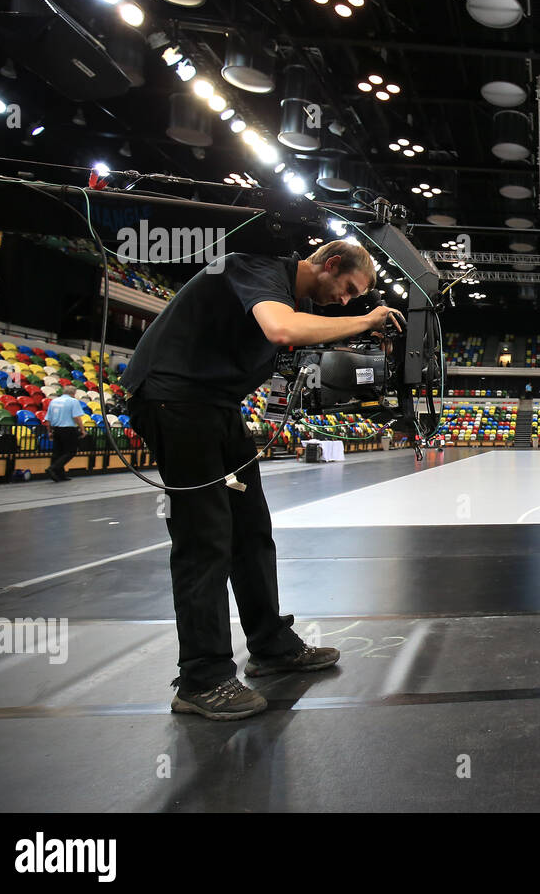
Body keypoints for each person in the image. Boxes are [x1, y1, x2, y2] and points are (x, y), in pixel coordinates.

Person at [121, 240, 403, 720]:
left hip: (217, 407)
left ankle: (270, 645)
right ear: (330, 264)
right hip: (177, 402)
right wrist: (367, 320)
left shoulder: (286, 298)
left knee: (251, 531)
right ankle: (202, 678)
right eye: (347, 289)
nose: (346, 301)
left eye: (356, 299)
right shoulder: (253, 266)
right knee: (203, 539)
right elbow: (280, 329)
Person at [44, 385, 87, 481]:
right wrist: (82, 429)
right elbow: (76, 417)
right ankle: (53, 468)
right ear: (73, 393)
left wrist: (50, 431)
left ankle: (60, 475)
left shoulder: (53, 401)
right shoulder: (73, 401)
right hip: (68, 429)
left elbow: (48, 419)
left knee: (58, 452)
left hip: (56, 429)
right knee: (71, 451)